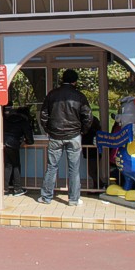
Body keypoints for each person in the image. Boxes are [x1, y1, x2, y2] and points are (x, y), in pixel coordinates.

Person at [38, 70, 91, 205]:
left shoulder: (52, 94)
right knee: (74, 168)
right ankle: (73, 199)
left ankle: (46, 197)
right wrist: (83, 131)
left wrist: (48, 130)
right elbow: (87, 116)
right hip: (74, 135)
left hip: (55, 135)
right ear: (75, 81)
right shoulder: (79, 96)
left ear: (62, 79)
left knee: (52, 167)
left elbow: (43, 114)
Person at [3, 106, 32, 196]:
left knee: (8, 166)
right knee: (16, 166)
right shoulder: (24, 121)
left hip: (4, 143)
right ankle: (17, 189)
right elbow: (30, 139)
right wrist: (26, 142)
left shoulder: (8, 119)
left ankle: (5, 189)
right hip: (14, 144)